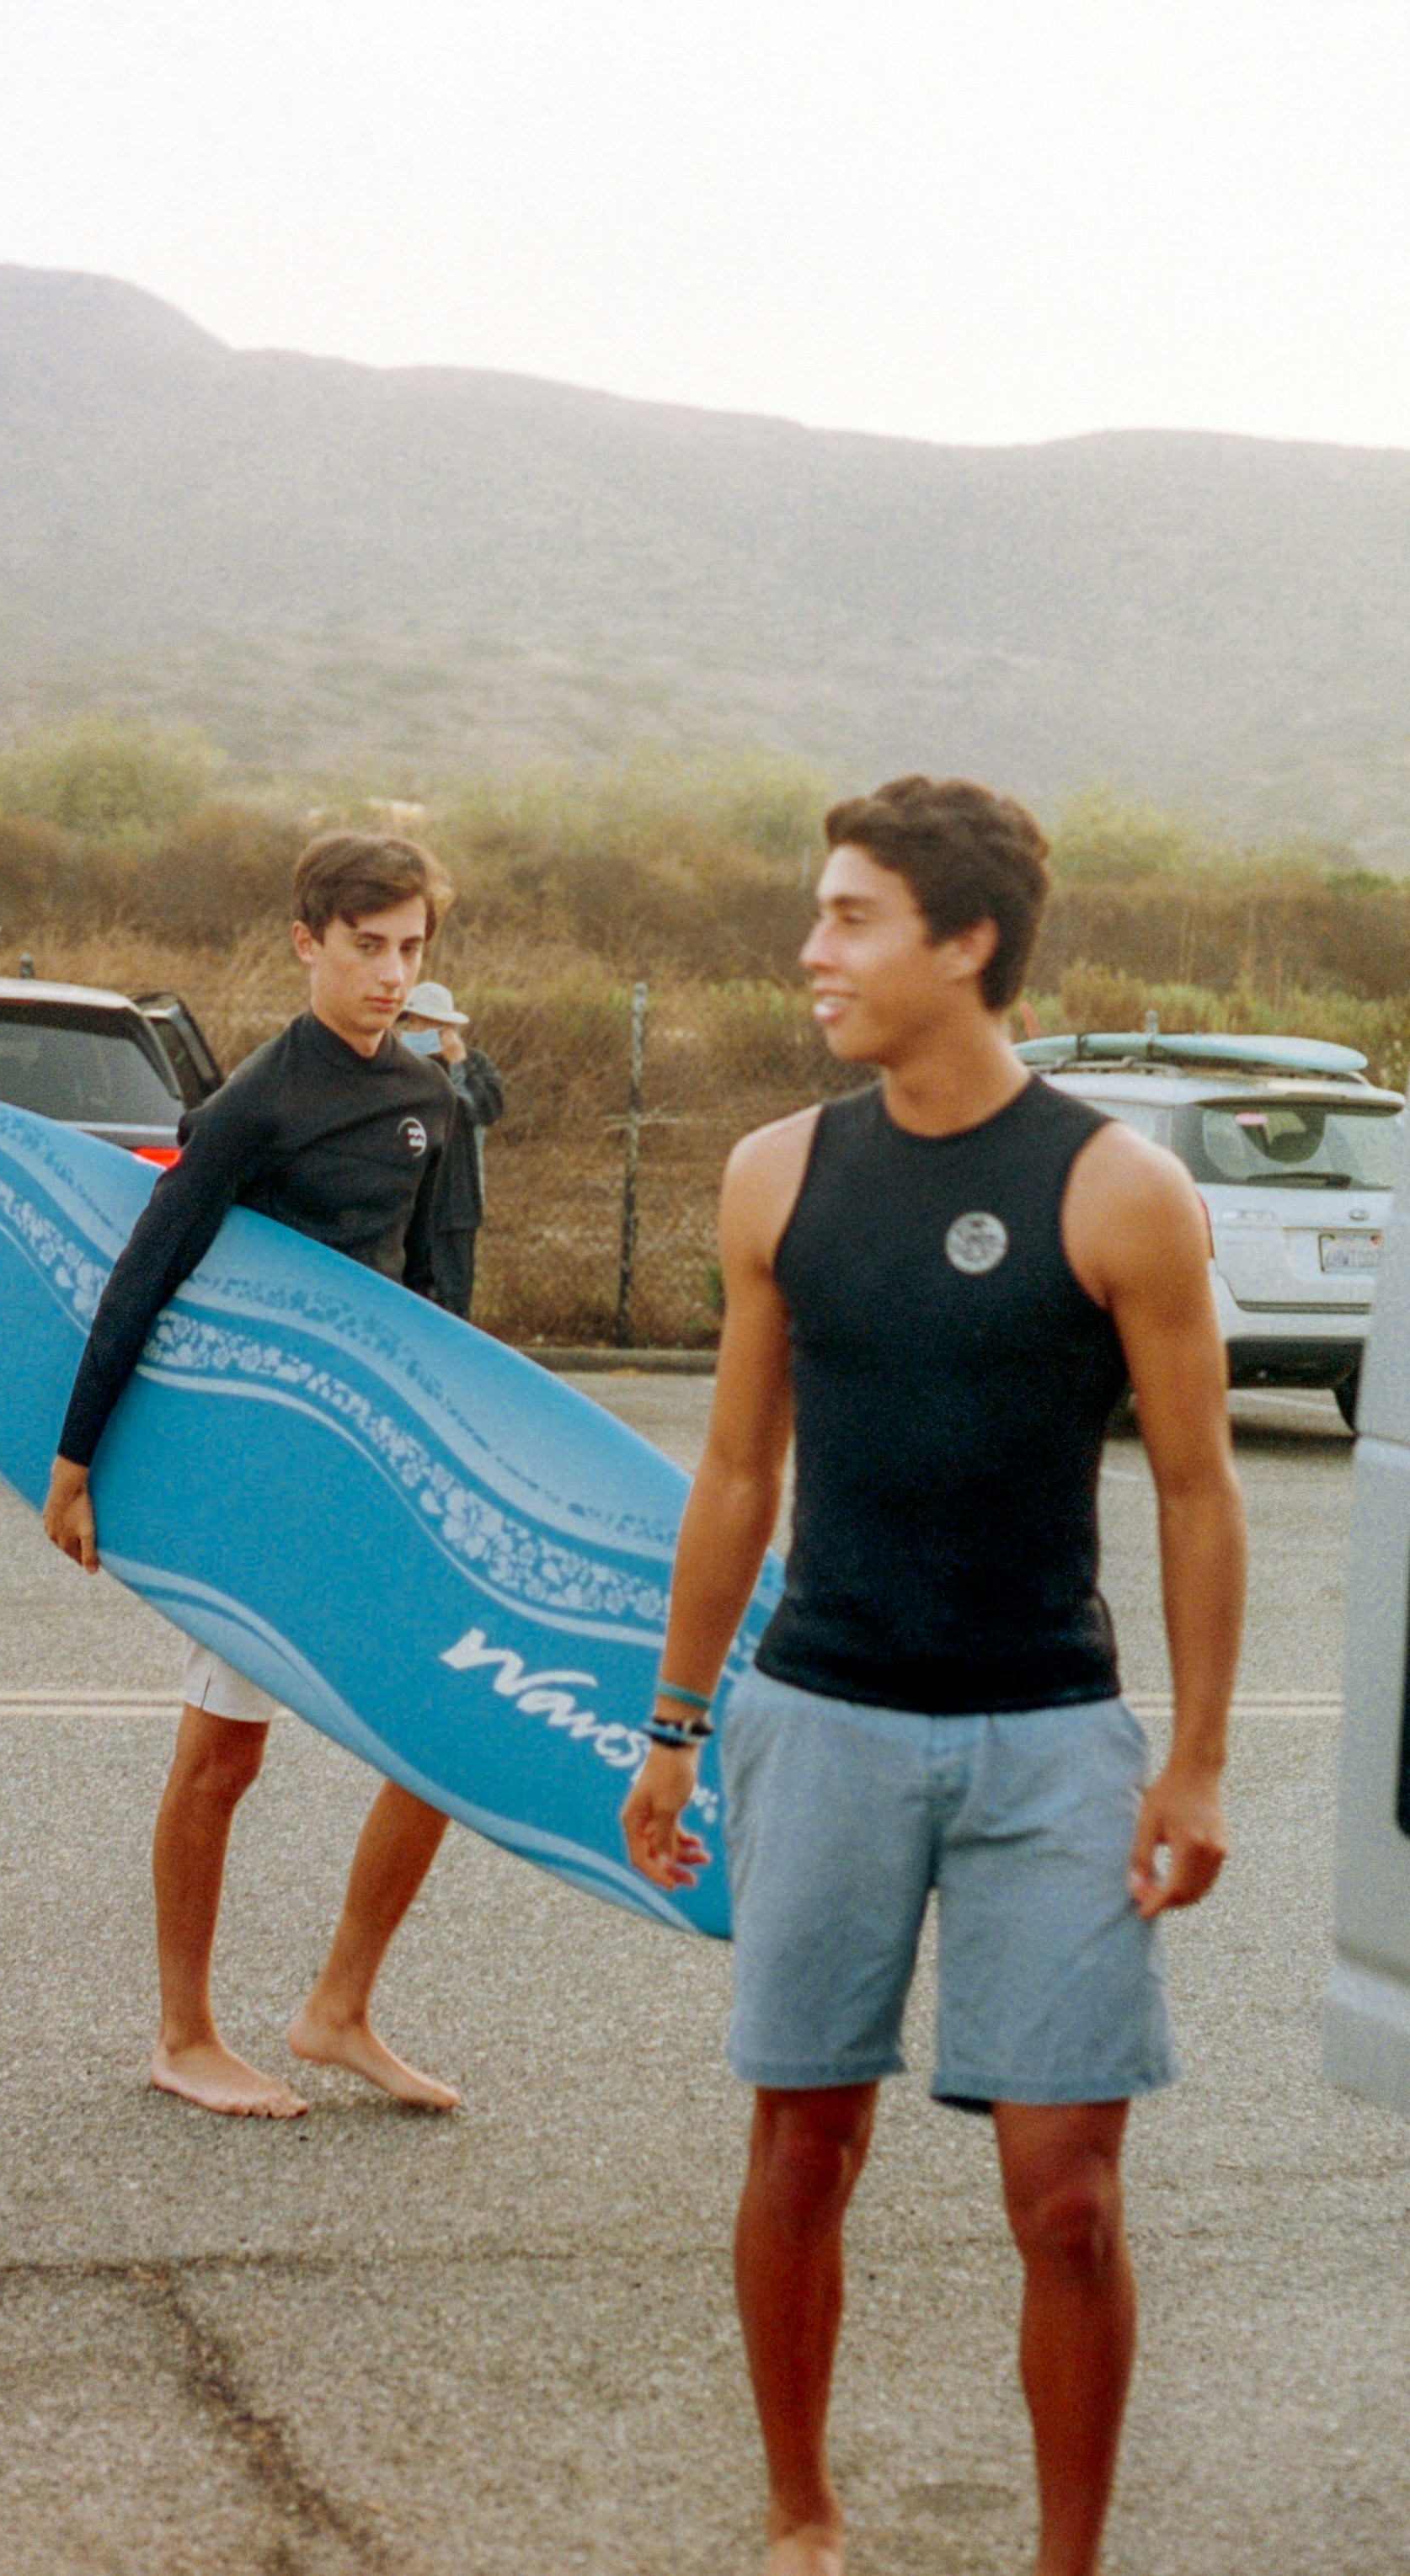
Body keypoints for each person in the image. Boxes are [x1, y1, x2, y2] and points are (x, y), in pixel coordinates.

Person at [621, 776, 1243, 2576]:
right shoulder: (776, 1172)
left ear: (959, 942)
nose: (809, 949)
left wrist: (1190, 1761)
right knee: (801, 2142)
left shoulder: (1114, 1188)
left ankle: (1065, 2558)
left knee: (1062, 2193)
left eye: (847, 917)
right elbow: (737, 1473)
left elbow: (1200, 1497)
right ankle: (798, 2512)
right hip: (816, 1715)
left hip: (1048, 1737)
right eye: (815, 913)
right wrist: (674, 1723)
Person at [44, 831, 463, 2120]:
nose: (390, 973)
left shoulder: (434, 1104)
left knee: (436, 1742)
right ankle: (183, 2032)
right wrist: (74, 1461)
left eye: (409, 949)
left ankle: (336, 2006)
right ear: (307, 941)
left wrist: (455, 1478)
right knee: (224, 1757)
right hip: (253, 1474)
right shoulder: (254, 1105)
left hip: (371, 1470)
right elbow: (144, 1272)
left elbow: (446, 1309)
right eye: (366, 945)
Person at [397, 979, 505, 1320]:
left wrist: (457, 1063)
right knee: (408, 1301)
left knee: (453, 1304)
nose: (418, 1029)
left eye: (427, 1023)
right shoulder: (398, 1065)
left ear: (446, 1027)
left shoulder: (474, 1065)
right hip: (408, 1205)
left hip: (456, 1205)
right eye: (413, 1022)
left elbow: (485, 1109)